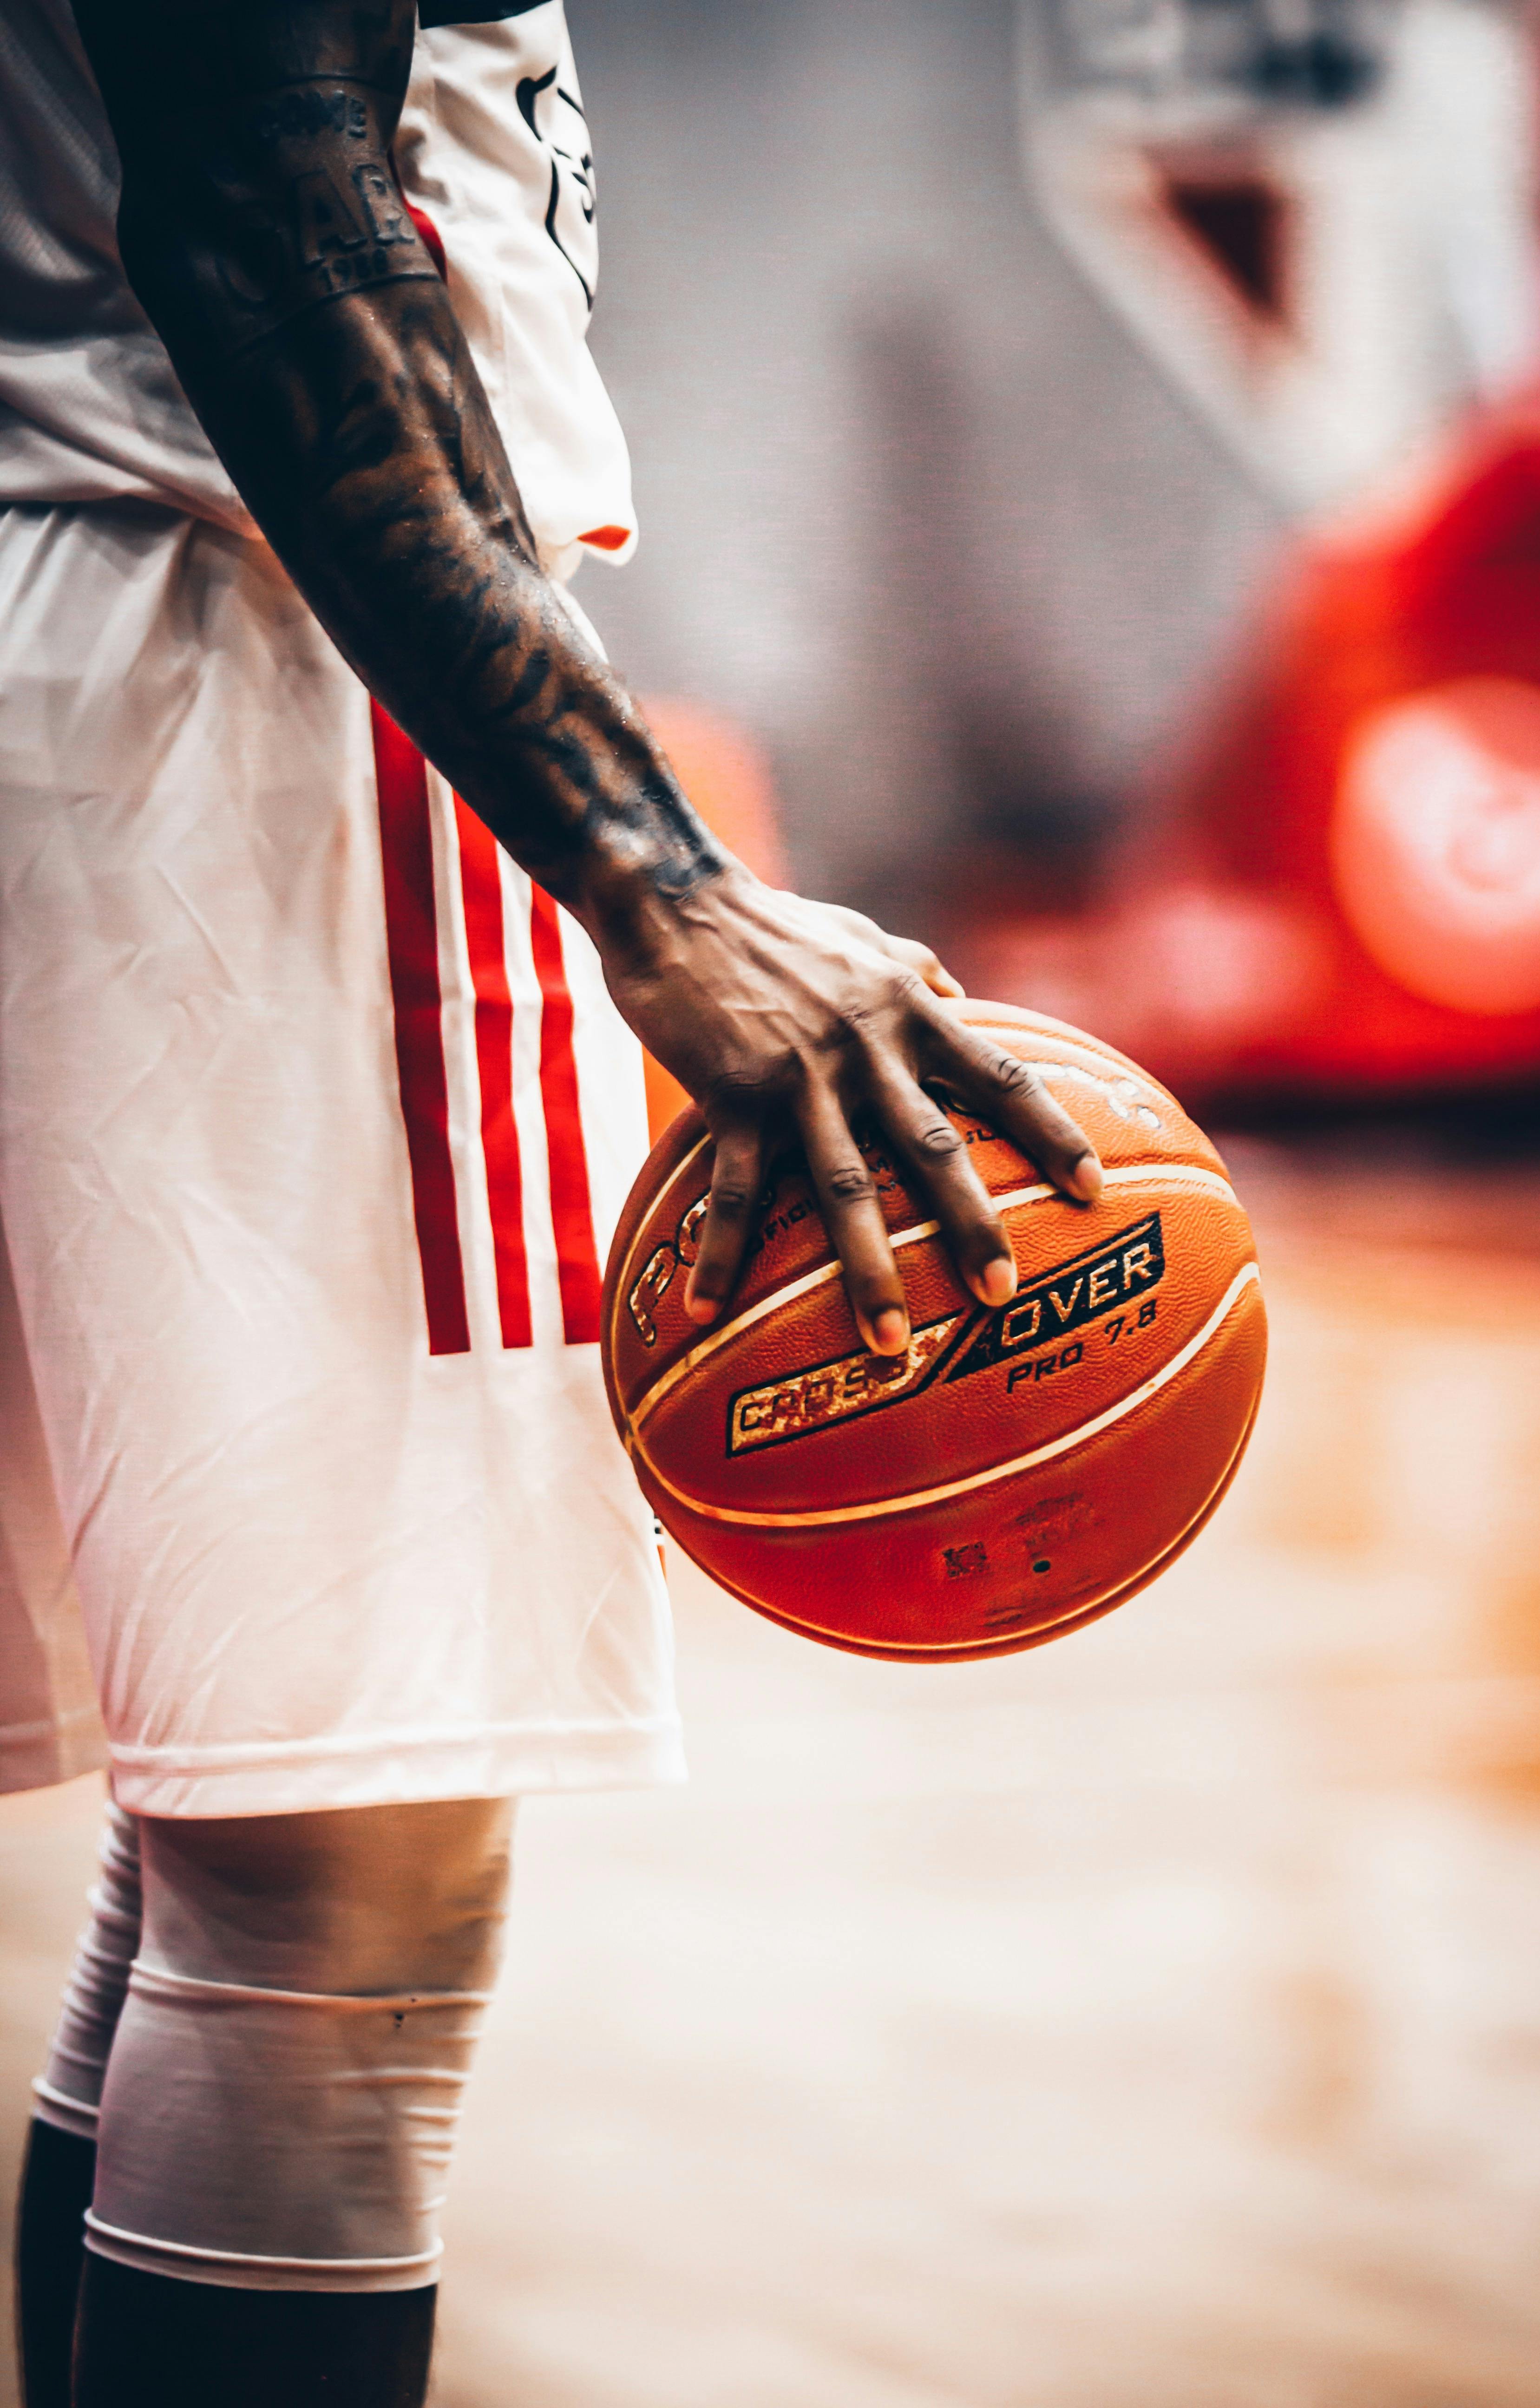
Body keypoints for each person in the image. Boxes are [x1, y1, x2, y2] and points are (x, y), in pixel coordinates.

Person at [0, 4, 1102, 2401]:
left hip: (95, 638)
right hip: (250, 660)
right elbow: (268, 212)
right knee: (348, 1913)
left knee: (239, 1838)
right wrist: (652, 871)